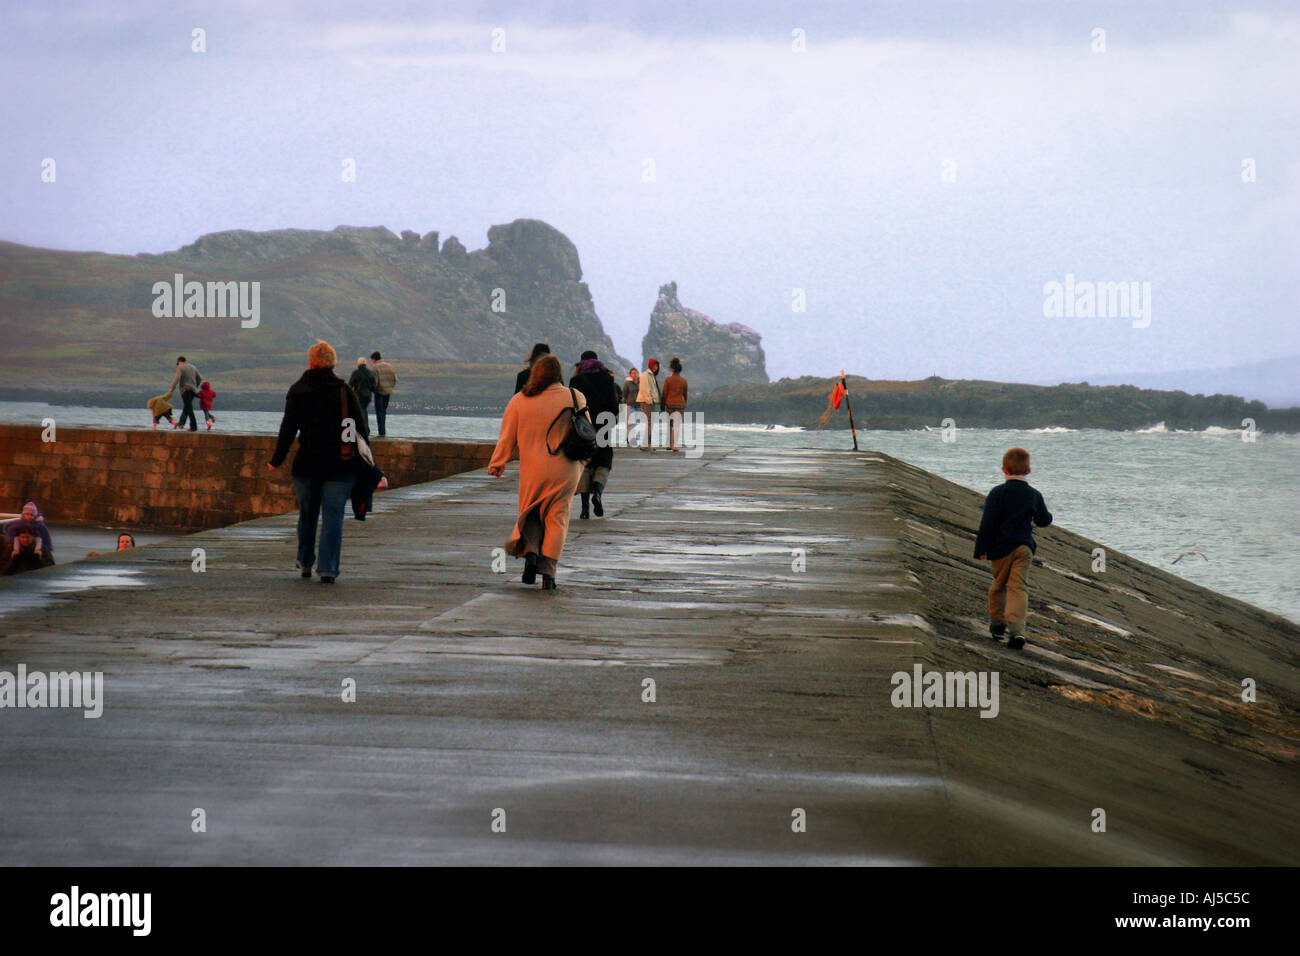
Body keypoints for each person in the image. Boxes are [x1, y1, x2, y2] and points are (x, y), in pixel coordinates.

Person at [270, 340, 368, 584]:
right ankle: (328, 569)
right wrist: (365, 461)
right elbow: (359, 429)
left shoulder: (298, 390)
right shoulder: (344, 391)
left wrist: (277, 459)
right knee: (333, 517)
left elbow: (288, 428)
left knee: (307, 514)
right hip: (340, 466)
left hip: (307, 464)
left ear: (311, 362)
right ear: (332, 362)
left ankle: (304, 562)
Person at [488, 354, 586, 590]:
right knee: (557, 518)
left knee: (531, 512)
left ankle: (530, 553)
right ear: (558, 374)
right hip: (566, 468)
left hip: (534, 470)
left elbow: (507, 437)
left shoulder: (519, 400)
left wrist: (497, 462)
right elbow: (586, 432)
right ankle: (548, 573)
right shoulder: (575, 397)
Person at [974, 447, 1053, 650]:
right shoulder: (1034, 495)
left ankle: (998, 625)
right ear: (1028, 471)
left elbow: (988, 523)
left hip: (1000, 549)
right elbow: (1044, 520)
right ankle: (1017, 632)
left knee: (999, 585)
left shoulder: (997, 493)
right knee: (1018, 588)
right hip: (1024, 547)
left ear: (1004, 470)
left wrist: (981, 550)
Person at [569, 350, 621, 519]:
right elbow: (614, 408)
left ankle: (584, 510)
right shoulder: (608, 379)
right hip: (603, 427)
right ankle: (597, 493)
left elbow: (572, 407)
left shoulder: (576, 380)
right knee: (603, 462)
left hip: (584, 429)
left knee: (585, 464)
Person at [368, 351, 398, 437]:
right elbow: (395, 378)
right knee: (384, 411)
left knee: (379, 412)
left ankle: (381, 432)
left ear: (373, 359)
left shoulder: (375, 368)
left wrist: (373, 390)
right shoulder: (389, 366)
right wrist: (390, 387)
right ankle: (383, 431)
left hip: (379, 392)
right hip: (388, 391)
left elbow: (375, 381)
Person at [635, 357, 663, 450]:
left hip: (650, 402)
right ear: (650, 365)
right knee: (649, 422)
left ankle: (646, 443)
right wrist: (649, 401)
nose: (656, 367)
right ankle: (644, 444)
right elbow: (644, 390)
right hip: (647, 402)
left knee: (650, 422)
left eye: (657, 366)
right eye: (654, 365)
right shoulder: (645, 375)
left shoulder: (652, 375)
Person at [168, 356, 202, 432]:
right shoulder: (193, 367)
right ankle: (181, 423)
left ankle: (193, 427)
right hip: (193, 390)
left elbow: (177, 378)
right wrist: (195, 387)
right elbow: (199, 378)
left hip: (185, 389)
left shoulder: (180, 367)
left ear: (179, 362)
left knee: (189, 408)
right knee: (187, 407)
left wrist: (172, 389)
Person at [662, 357, 689, 452]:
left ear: (672, 370)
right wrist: (684, 403)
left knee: (669, 425)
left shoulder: (668, 380)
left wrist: (662, 406)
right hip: (679, 405)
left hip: (669, 405)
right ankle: (674, 445)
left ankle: (667, 444)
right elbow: (685, 394)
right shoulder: (684, 381)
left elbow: (664, 394)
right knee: (677, 426)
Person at [348, 358, 377, 432]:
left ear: (358, 364)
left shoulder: (356, 373)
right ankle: (366, 429)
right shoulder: (370, 373)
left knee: (361, 411)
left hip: (359, 395)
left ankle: (363, 429)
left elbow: (350, 385)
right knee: (364, 410)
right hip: (368, 396)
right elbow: (374, 386)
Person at [621, 367, 639, 446]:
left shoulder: (639, 382)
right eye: (633, 373)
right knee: (630, 422)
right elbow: (624, 395)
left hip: (638, 405)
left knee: (636, 422)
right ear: (630, 374)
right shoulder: (627, 383)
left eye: (636, 373)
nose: (635, 375)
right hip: (630, 405)